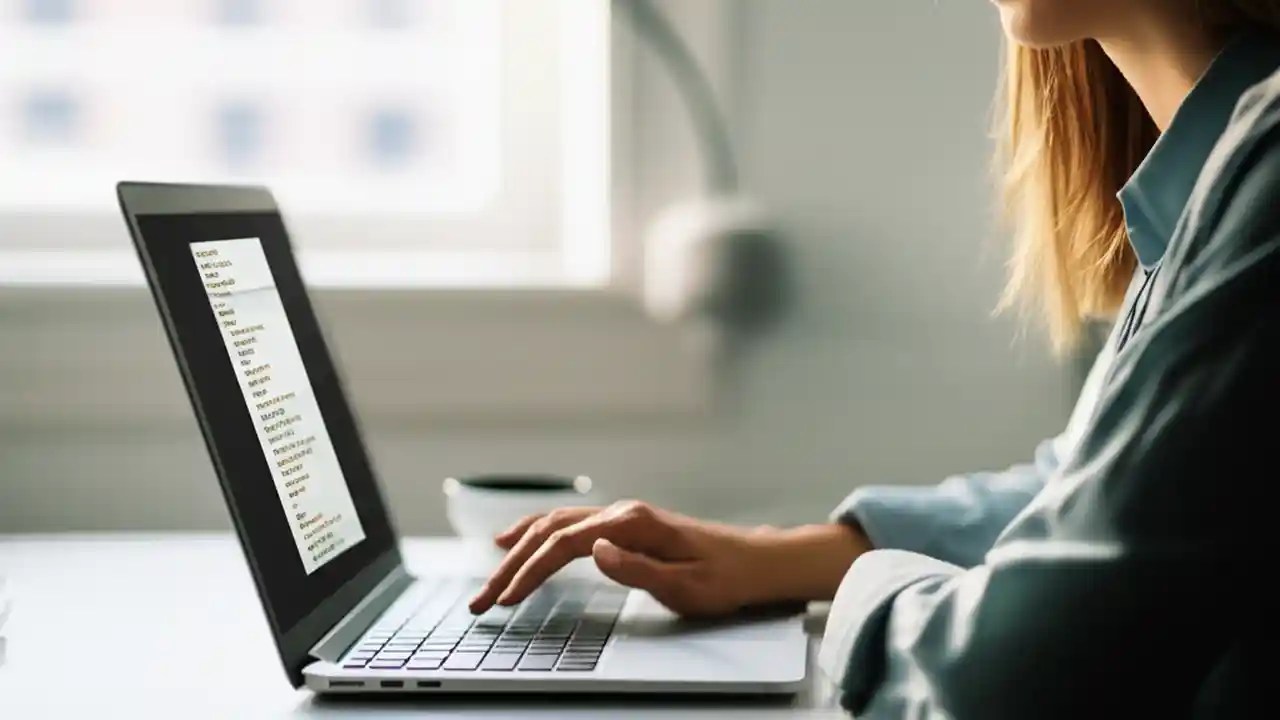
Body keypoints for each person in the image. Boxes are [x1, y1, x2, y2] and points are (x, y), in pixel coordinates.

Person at [470, 0, 1280, 716]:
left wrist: (866, 585)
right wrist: (771, 559)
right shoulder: (1207, 185)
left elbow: (1000, 687)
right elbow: (1087, 484)